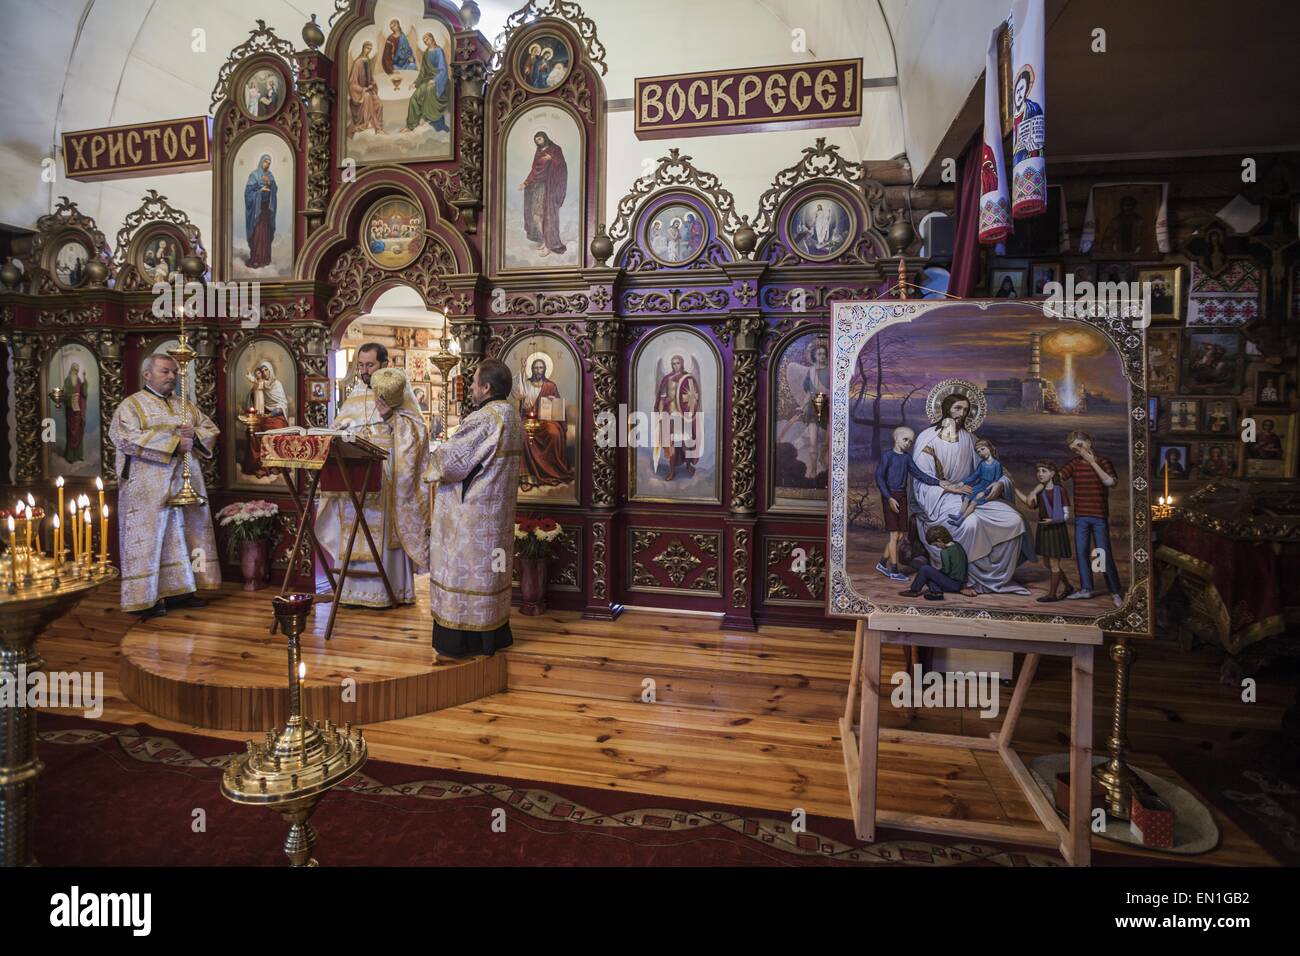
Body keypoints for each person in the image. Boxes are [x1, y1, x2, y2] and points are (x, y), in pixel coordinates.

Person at [315, 344, 428, 609]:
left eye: (370, 365)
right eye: (362, 365)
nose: (364, 371)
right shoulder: (354, 395)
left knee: (382, 529)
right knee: (352, 529)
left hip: (385, 475)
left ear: (384, 364)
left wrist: (391, 417)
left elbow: (419, 434)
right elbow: (338, 428)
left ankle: (389, 591)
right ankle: (352, 592)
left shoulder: (401, 394)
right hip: (353, 475)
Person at [424, 359, 523, 660]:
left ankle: (459, 643)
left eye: (475, 382)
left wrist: (428, 454)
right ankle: (490, 639)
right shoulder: (512, 415)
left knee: (463, 575)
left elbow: (451, 463)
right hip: (495, 516)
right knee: (489, 576)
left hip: (470, 517)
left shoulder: (484, 418)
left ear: (486, 387)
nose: (471, 388)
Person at [109, 355, 221, 619]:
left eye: (174, 372)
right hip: (148, 488)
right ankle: (147, 597)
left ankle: (183, 590)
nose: (171, 376)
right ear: (147, 374)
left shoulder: (184, 406)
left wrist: (194, 434)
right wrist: (172, 445)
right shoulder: (131, 406)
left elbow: (210, 428)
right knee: (151, 539)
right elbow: (124, 438)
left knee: (185, 535)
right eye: (164, 371)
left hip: (186, 484)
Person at [908, 389, 1032, 595]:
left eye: (965, 410)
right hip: (940, 497)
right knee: (971, 523)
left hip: (973, 493)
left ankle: (995, 578)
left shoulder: (971, 439)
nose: (961, 413)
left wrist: (1000, 484)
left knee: (1014, 519)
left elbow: (999, 470)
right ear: (946, 408)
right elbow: (921, 480)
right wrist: (948, 486)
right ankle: (962, 578)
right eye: (957, 408)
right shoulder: (927, 439)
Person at [1056, 430, 1123, 607]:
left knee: (1102, 554)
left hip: (1099, 516)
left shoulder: (1103, 461)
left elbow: (1110, 482)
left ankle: (1115, 591)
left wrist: (1093, 462)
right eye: (1074, 449)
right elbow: (1057, 478)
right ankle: (1086, 588)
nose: (1078, 451)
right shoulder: (1074, 464)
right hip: (1081, 517)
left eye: (1080, 445)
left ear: (1089, 442)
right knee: (1082, 552)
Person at [874, 425, 939, 582]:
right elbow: (879, 478)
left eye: (911, 441)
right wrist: (889, 497)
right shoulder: (887, 456)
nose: (908, 443)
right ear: (896, 439)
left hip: (902, 497)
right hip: (891, 496)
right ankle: (894, 571)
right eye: (905, 439)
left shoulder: (906, 458)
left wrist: (938, 482)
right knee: (894, 535)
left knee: (900, 535)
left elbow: (918, 474)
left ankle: (882, 563)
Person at [1015, 461, 1075, 602]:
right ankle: (1068, 587)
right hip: (1044, 529)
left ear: (1052, 473)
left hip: (1055, 528)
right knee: (1048, 564)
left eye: (1044, 471)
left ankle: (1052, 595)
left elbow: (1066, 514)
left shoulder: (1060, 490)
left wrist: (1053, 520)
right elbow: (1028, 503)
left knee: (1054, 564)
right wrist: (1015, 489)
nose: (1040, 474)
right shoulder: (1039, 492)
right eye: (1039, 471)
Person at [517, 357, 573, 488]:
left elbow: (559, 408)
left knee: (554, 433)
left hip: (548, 419)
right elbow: (521, 407)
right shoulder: (526, 384)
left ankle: (551, 471)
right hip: (529, 419)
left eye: (540, 367)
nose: (538, 370)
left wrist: (553, 400)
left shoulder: (550, 386)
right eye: (535, 367)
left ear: (545, 369)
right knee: (524, 435)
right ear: (532, 369)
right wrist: (523, 403)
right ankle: (528, 475)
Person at [653, 354, 701, 481]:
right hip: (670, 415)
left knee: (687, 443)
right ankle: (672, 470)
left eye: (678, 363)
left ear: (682, 363)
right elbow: (662, 399)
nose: (675, 365)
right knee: (670, 444)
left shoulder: (687, 378)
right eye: (673, 363)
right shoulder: (666, 379)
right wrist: (661, 414)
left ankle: (688, 465)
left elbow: (693, 397)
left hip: (684, 415)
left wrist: (688, 410)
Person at [520, 131, 568, 257]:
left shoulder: (556, 150)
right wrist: (525, 183)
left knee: (546, 215)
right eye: (536, 140)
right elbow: (535, 170)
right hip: (538, 187)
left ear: (545, 138)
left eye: (540, 139)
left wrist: (552, 159)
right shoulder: (539, 152)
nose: (538, 142)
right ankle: (544, 240)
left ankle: (549, 244)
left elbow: (562, 166)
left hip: (550, 187)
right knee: (536, 215)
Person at [898, 526, 975, 601]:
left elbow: (946, 571)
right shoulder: (958, 546)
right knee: (929, 574)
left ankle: (914, 591)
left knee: (925, 569)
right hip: (960, 584)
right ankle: (936, 593)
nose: (937, 547)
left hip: (953, 585)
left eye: (935, 544)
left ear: (940, 540)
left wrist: (934, 573)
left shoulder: (945, 552)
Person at [947, 437, 1003, 527]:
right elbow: (975, 475)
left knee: (974, 501)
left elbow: (996, 481)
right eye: (978, 451)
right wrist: (963, 482)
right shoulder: (982, 463)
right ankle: (959, 515)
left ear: (990, 448)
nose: (981, 453)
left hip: (988, 488)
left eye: (982, 449)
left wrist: (985, 492)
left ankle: (961, 521)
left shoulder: (997, 464)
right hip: (980, 485)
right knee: (966, 497)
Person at [401, 32, 450, 133]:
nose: (426, 42)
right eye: (424, 41)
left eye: (427, 39)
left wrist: (436, 80)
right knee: (414, 97)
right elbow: (423, 72)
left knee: (429, 91)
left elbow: (443, 70)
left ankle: (432, 122)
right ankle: (411, 125)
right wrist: (415, 83)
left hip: (439, 80)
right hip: (427, 80)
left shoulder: (439, 51)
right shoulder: (426, 53)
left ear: (432, 38)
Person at [243, 154, 276, 269]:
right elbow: (248, 194)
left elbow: (274, 189)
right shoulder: (254, 175)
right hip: (257, 211)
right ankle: (256, 257)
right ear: (261, 162)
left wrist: (270, 184)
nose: (267, 164)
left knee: (265, 233)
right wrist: (259, 191)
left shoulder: (270, 175)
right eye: (265, 162)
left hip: (266, 209)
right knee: (257, 233)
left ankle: (265, 258)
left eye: (269, 163)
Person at [347, 41, 385, 136]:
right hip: (360, 94)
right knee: (367, 97)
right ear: (363, 48)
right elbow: (352, 83)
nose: (368, 51)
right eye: (367, 48)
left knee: (379, 104)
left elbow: (370, 78)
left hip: (368, 91)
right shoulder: (357, 63)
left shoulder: (367, 60)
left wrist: (373, 83)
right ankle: (368, 123)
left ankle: (379, 126)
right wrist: (362, 90)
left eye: (370, 49)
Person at [62, 361, 86, 463]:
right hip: (71, 411)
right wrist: (71, 397)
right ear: (71, 370)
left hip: (78, 410)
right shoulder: (68, 380)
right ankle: (71, 456)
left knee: (79, 431)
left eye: (77, 371)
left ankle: (78, 455)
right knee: (72, 432)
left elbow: (84, 393)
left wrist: (85, 380)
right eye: (74, 370)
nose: (75, 373)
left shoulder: (79, 380)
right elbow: (65, 394)